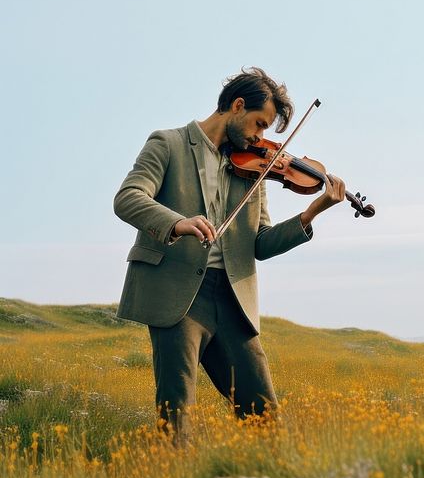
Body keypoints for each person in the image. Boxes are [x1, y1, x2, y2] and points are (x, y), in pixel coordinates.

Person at [113, 67, 345, 443]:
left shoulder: (256, 168)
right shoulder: (167, 143)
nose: (261, 137)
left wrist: (311, 213)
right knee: (177, 412)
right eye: (259, 124)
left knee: (264, 414)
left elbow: (261, 244)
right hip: (179, 293)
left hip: (233, 297)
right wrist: (177, 223)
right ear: (237, 106)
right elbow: (128, 198)